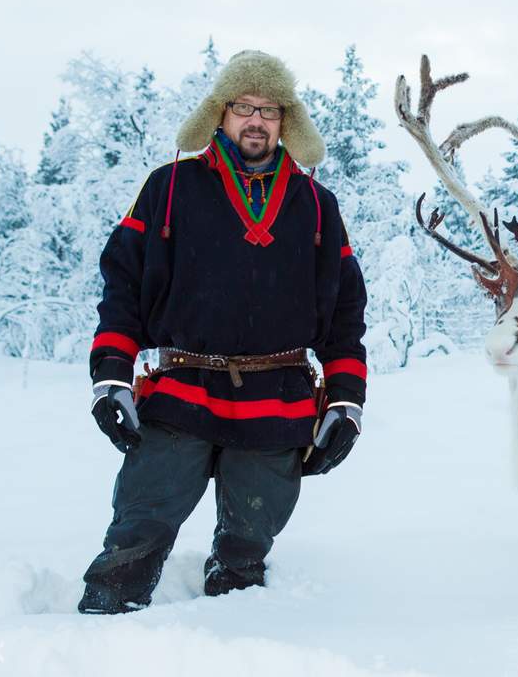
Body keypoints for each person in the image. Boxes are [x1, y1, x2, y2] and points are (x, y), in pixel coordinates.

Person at [80, 50, 368, 614]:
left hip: (278, 399)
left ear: (287, 120)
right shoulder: (168, 187)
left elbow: (345, 313)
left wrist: (347, 401)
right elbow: (122, 286)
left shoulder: (317, 205)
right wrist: (110, 377)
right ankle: (95, 637)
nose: (256, 120)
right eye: (243, 106)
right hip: (181, 389)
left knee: (247, 548)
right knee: (137, 532)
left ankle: (234, 645)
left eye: (269, 109)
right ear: (221, 112)